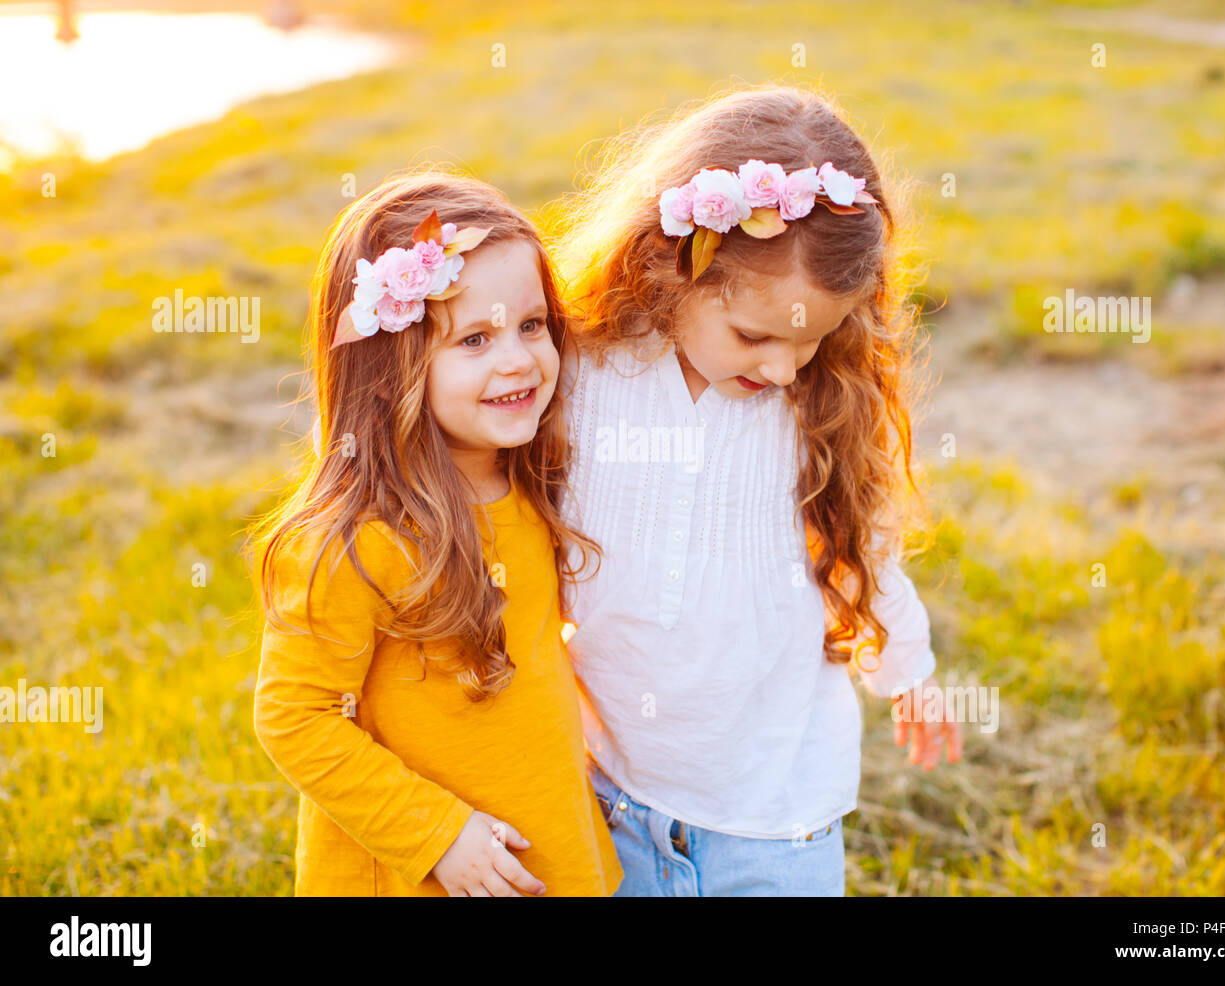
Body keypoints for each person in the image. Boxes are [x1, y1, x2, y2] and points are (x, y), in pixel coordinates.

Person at [552, 84, 963, 896]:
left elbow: (864, 555)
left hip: (776, 817)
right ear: (673, 269)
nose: (781, 367)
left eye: (810, 339)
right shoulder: (582, 372)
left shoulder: (821, 407)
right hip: (607, 792)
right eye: (753, 335)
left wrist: (907, 671)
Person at [250, 168, 620, 896]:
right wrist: (436, 832)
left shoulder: (528, 483)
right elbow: (295, 718)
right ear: (391, 367)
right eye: (474, 339)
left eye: (531, 325)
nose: (518, 359)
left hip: (545, 843)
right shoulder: (357, 540)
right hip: (432, 869)